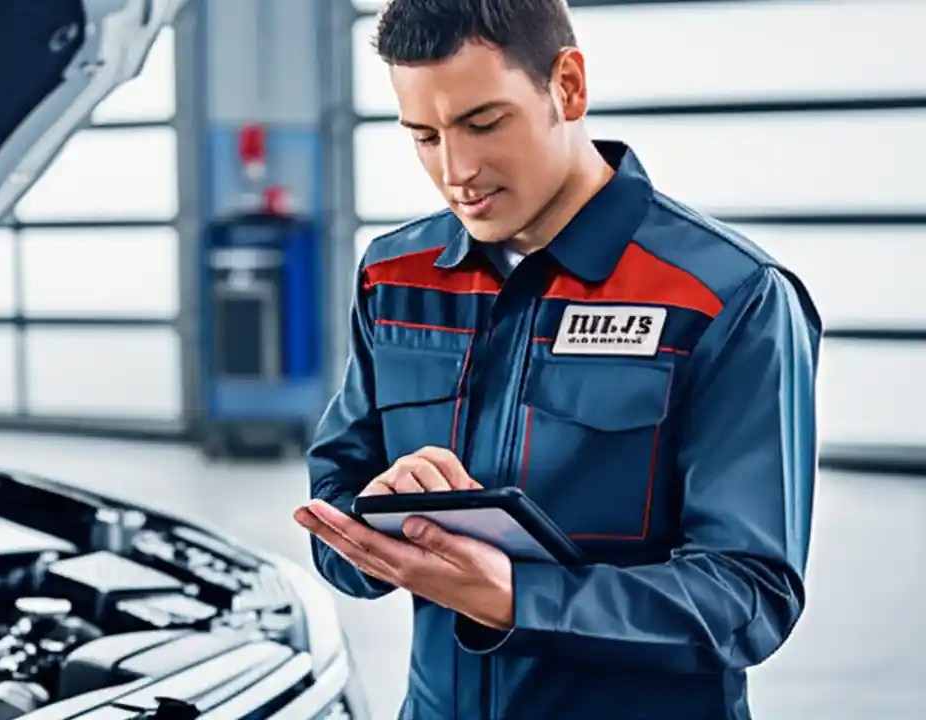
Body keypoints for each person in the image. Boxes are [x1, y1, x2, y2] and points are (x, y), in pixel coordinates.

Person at [293, 1, 822, 718]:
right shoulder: (396, 276)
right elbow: (335, 495)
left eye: (484, 123)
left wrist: (516, 598)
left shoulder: (727, 297)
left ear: (567, 87)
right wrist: (379, 520)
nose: (457, 171)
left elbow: (747, 596)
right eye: (424, 135)